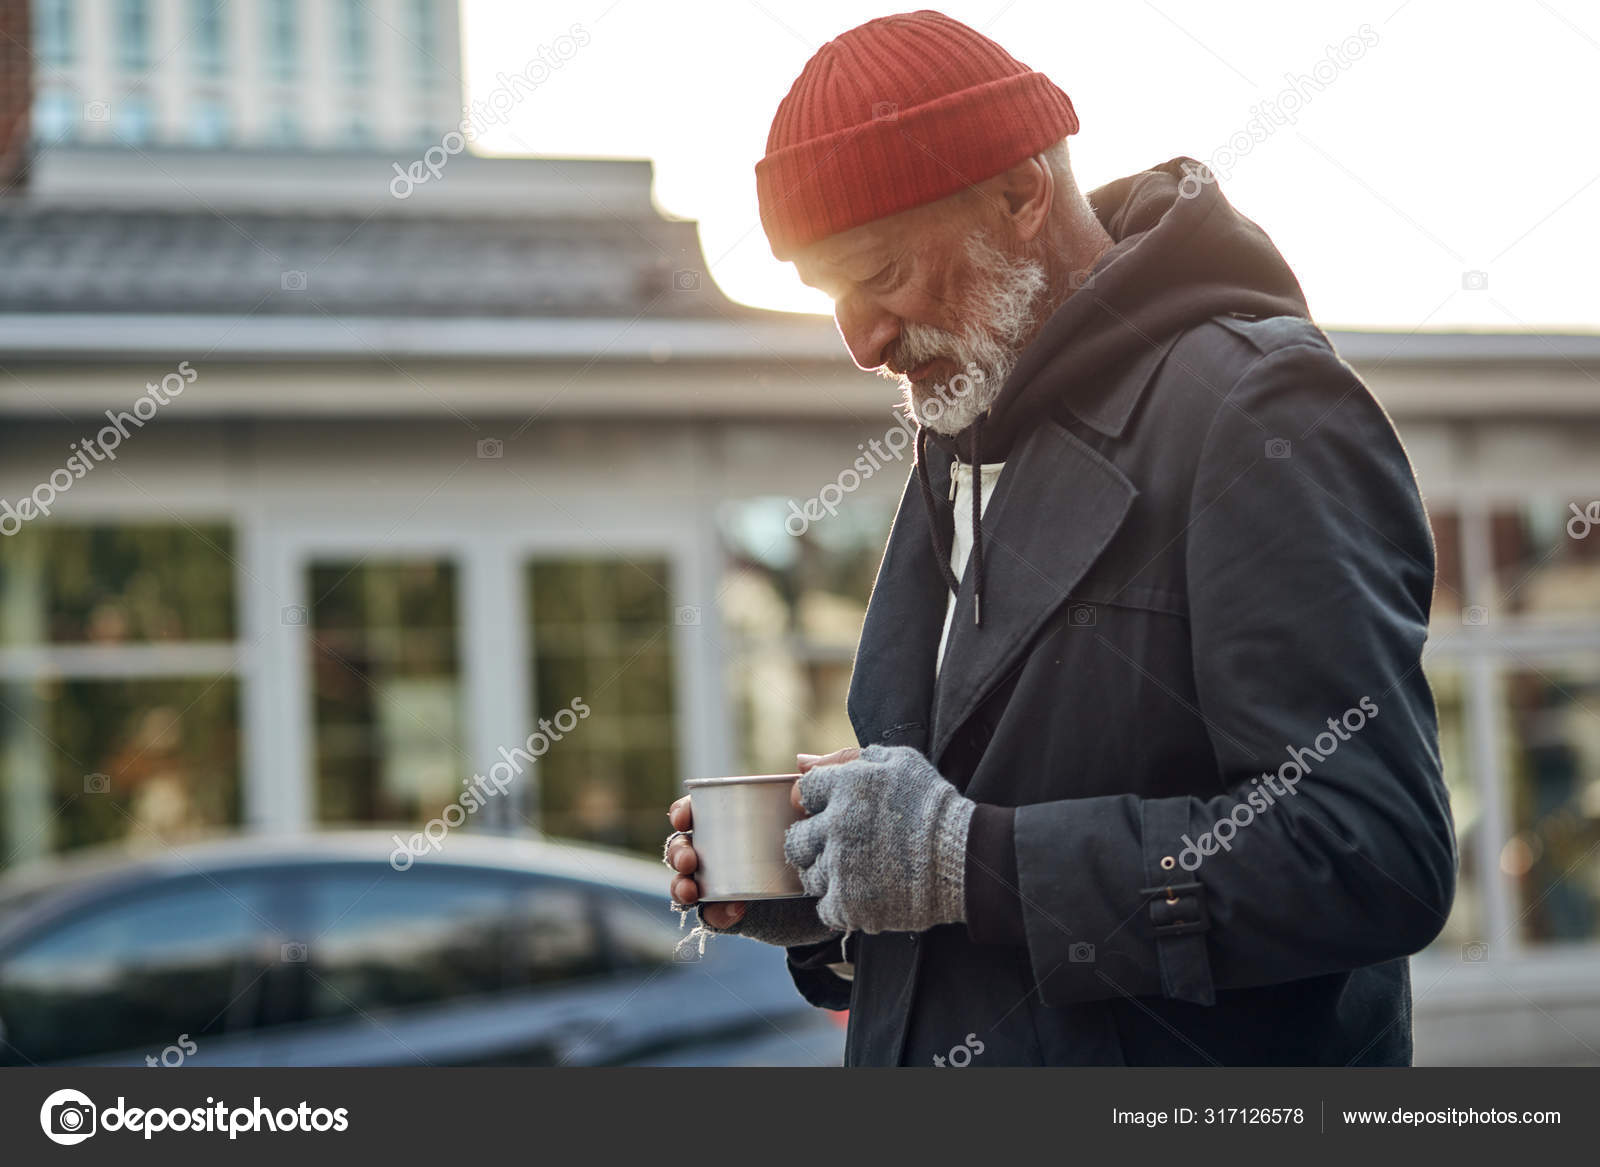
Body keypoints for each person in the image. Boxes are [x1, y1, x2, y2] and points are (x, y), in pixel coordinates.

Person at [665, 9, 1455, 1066]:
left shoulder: (1255, 414)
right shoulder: (961, 442)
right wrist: (837, 892)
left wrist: (964, 862)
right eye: (829, 297)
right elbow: (985, 853)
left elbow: (1367, 856)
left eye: (881, 274)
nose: (859, 343)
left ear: (1022, 194)